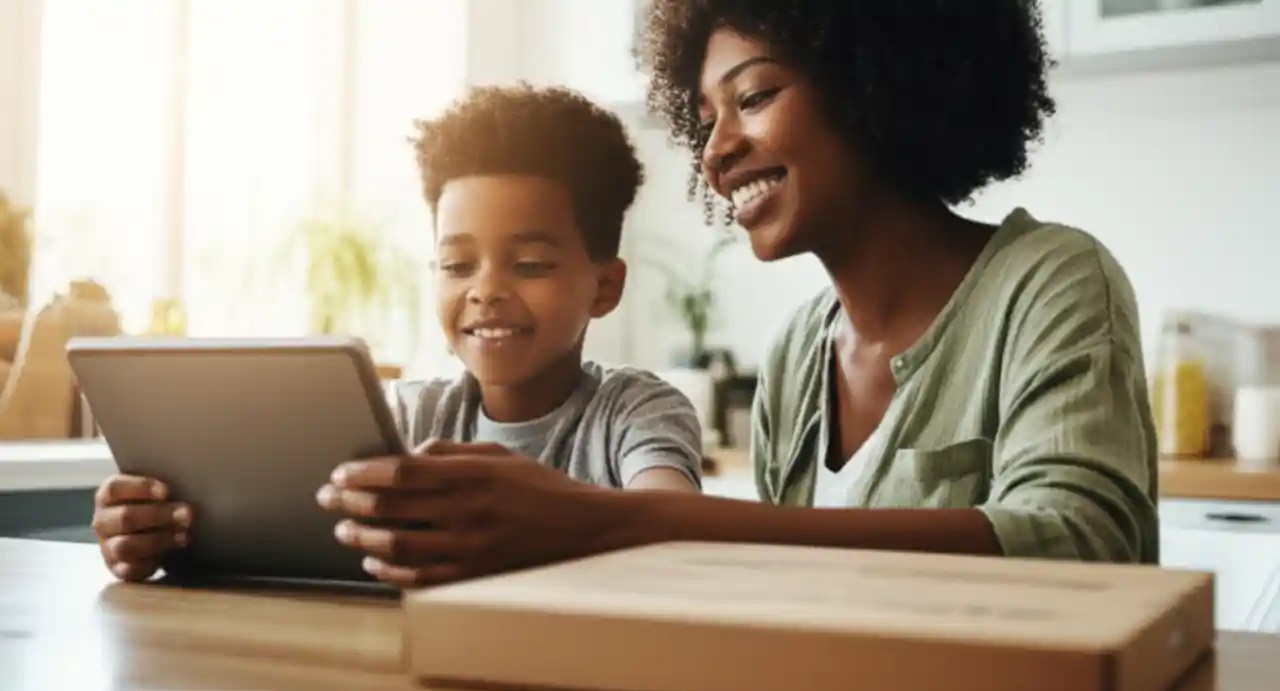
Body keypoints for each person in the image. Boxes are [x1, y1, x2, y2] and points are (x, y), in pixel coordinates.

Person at [318, 0, 1159, 585]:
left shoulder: (1048, 281)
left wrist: (605, 521)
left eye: (753, 97)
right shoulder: (799, 354)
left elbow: (1083, 548)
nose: (716, 150)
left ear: (878, 83)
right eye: (705, 117)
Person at [92, 85, 701, 583]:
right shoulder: (407, 419)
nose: (484, 290)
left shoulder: (634, 412)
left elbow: (680, 521)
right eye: (457, 266)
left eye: (532, 264)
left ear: (604, 287)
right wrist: (159, 532)